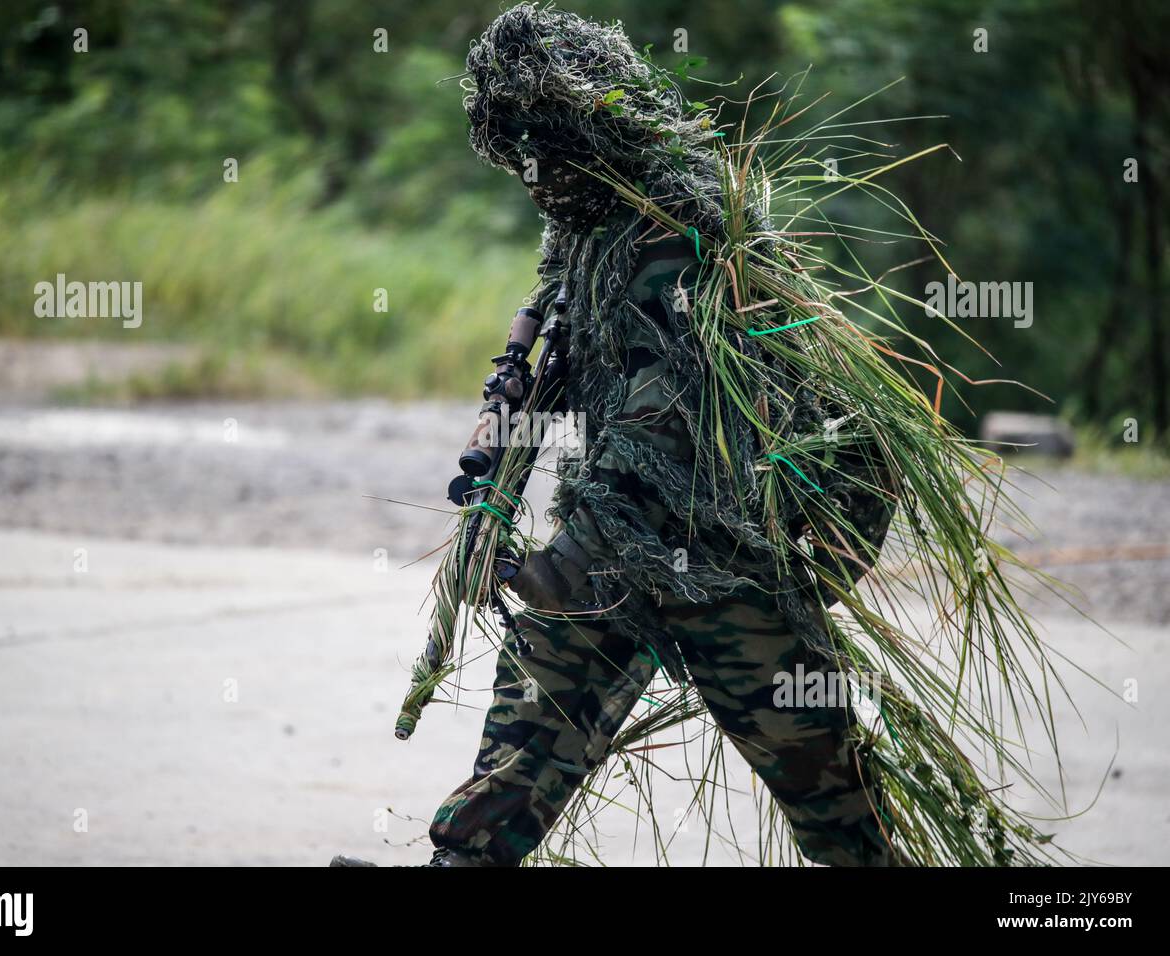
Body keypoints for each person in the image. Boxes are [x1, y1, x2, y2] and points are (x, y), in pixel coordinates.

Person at [333, 3, 905, 868]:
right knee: (524, 746)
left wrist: (557, 567)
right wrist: (504, 435)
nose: (532, 172)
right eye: (516, 150)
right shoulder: (588, 232)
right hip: (620, 552)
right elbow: (561, 361)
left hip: (722, 558)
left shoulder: (672, 238)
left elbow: (660, 430)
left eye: (542, 144)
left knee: (835, 812)